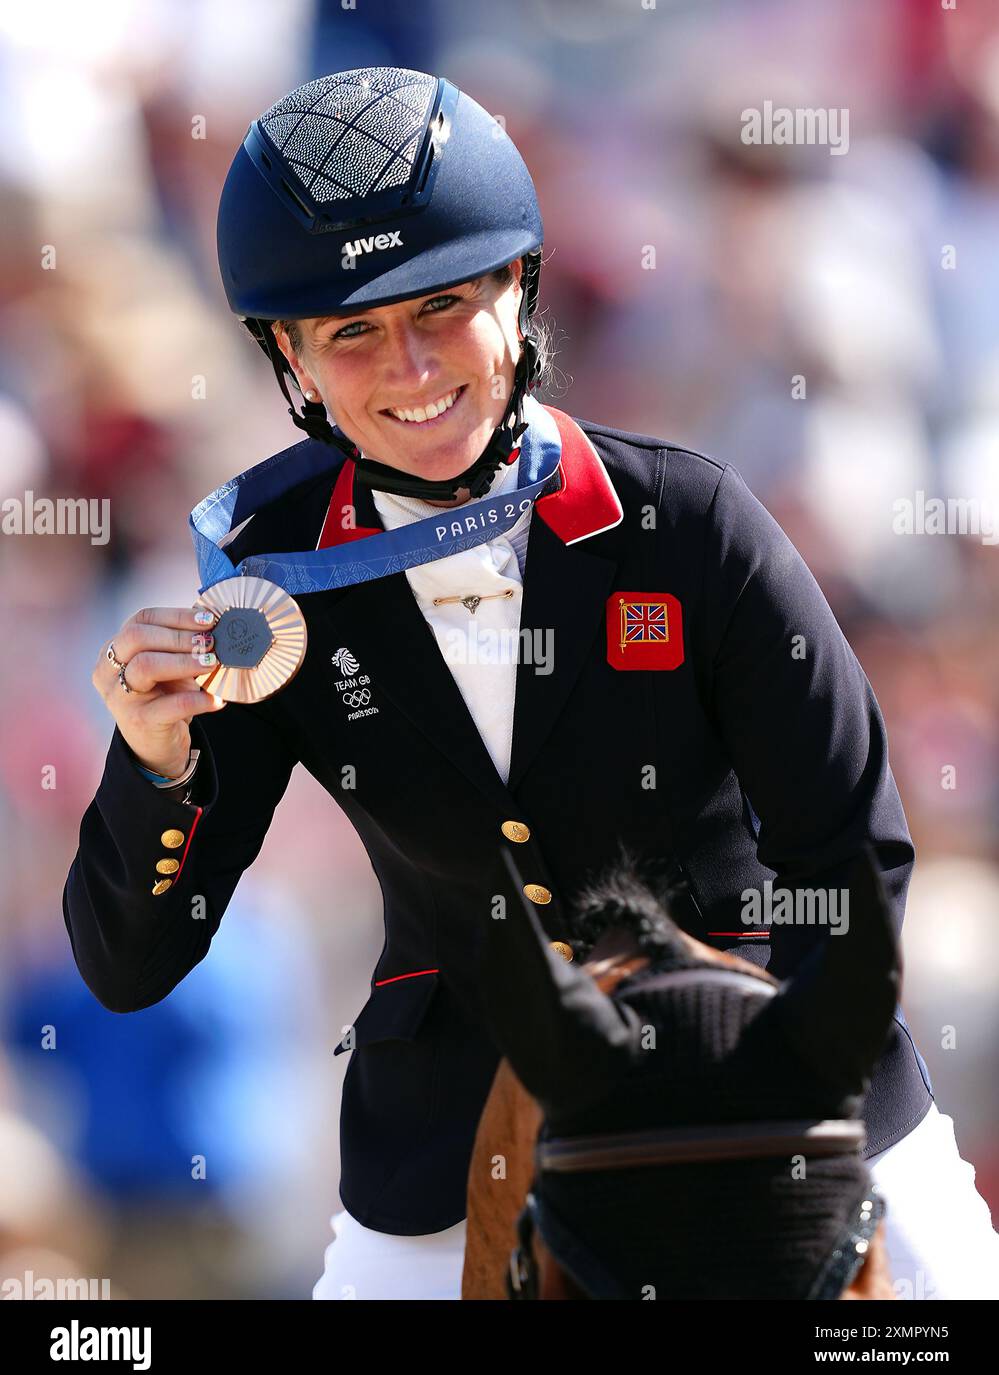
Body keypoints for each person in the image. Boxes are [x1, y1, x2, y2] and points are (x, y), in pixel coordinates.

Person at [63, 65, 999, 1300]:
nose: (409, 367)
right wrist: (156, 763)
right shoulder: (271, 575)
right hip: (451, 1129)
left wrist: (762, 1084)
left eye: (444, 304)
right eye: (351, 331)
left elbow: (852, 851)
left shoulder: (689, 521)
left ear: (519, 287)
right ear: (287, 355)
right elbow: (131, 964)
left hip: (761, 1070)